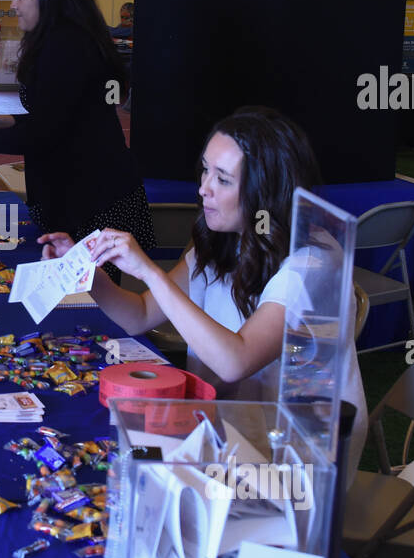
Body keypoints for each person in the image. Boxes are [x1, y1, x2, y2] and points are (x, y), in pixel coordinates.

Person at [39, 108, 368, 483]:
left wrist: (148, 270)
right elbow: (141, 314)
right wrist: (86, 273)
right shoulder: (225, 238)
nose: (203, 188)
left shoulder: (312, 264)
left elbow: (235, 362)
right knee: (103, 461)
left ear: (266, 190)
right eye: (205, 170)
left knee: (123, 471)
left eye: (223, 179)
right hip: (230, 425)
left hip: (294, 456)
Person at [0, 0, 155, 281]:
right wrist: (4, 120)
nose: (12, 5)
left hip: (94, 201)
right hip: (86, 194)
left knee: (93, 305)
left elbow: (46, 134)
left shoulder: (66, 46)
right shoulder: (66, 39)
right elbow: (62, 116)